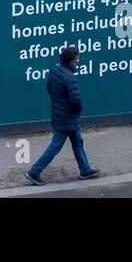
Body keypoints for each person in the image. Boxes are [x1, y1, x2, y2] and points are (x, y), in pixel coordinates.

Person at [26, 46, 101, 185]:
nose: (79, 60)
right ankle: (34, 172)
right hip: (68, 117)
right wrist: (77, 110)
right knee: (56, 145)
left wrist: (59, 102)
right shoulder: (70, 77)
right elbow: (75, 101)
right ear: (71, 61)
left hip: (59, 114)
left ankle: (85, 170)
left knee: (77, 141)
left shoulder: (55, 70)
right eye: (77, 58)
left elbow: (49, 88)